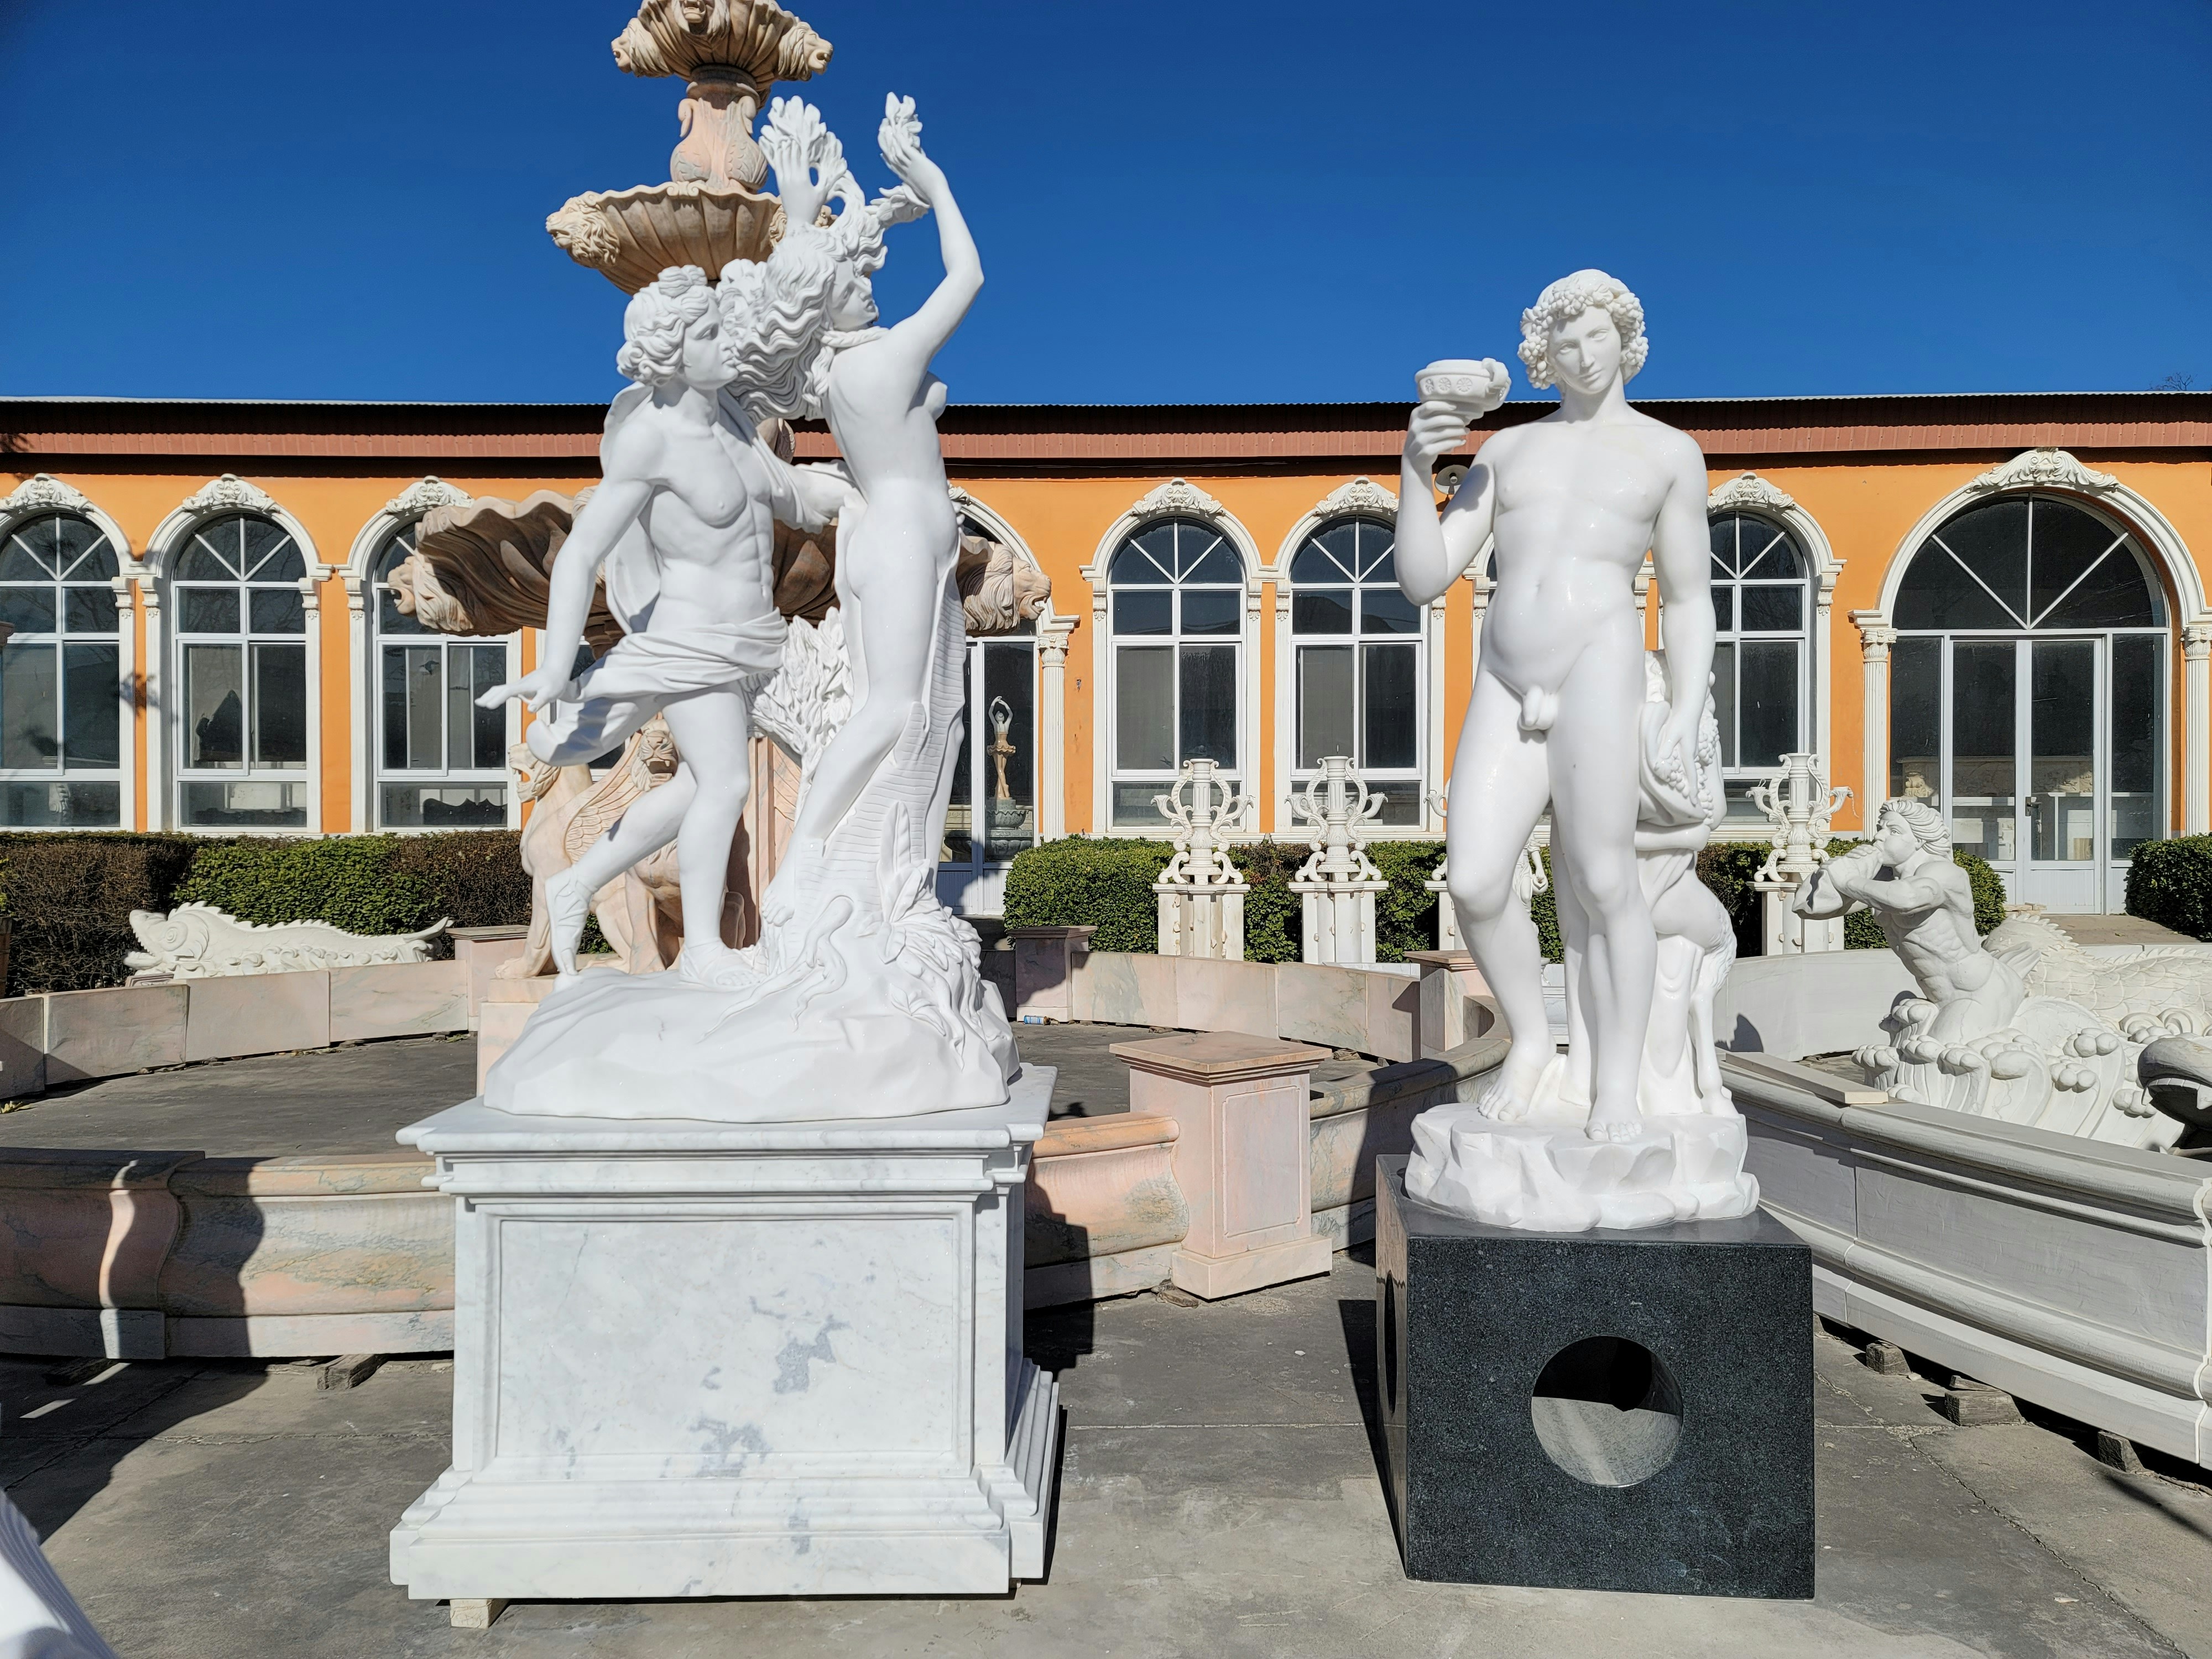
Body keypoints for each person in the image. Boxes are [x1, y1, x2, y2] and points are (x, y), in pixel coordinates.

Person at [1395, 271, 1713, 1141]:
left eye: (1597, 337)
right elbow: (1425, 577)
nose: (1581, 355)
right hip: (1505, 676)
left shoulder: (1667, 452)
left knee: (1607, 882)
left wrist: (1685, 708)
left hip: (1598, 669)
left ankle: (1615, 1083)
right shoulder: (1507, 453)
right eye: (1564, 342)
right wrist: (1415, 470)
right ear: (1543, 354)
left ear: (1627, 342)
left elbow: (1686, 597)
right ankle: (1532, 1040)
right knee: (1474, 880)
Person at [476, 264, 852, 981]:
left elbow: (790, 492)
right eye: (709, 333)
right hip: (685, 635)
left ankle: (577, 882)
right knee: (726, 786)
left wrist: (875, 497)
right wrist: (558, 664)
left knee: (698, 785)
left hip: (745, 634)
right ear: (673, 351)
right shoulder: (651, 437)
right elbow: (581, 549)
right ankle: (704, 952)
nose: (725, 345)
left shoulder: (732, 421)